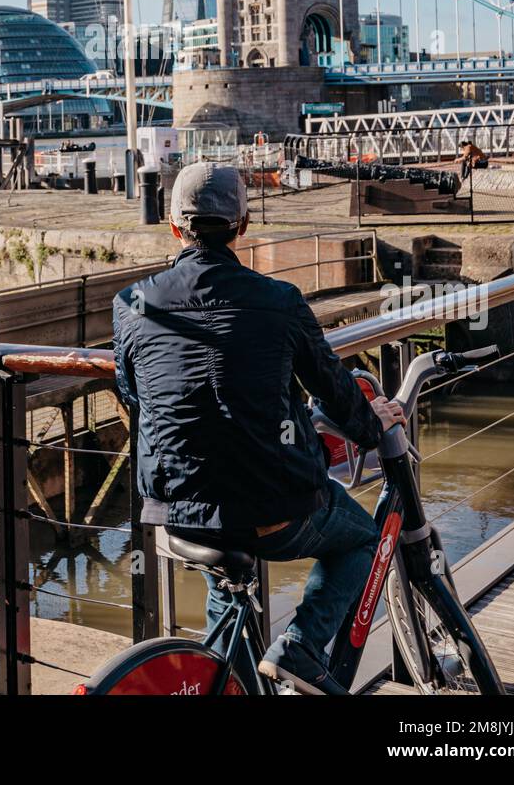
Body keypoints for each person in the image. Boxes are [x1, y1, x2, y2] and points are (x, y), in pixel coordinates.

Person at [112, 161, 404, 695]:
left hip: (177, 506)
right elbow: (333, 388)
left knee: (229, 583)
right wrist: (371, 426)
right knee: (362, 540)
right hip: (271, 507)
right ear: (242, 227)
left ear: (174, 227)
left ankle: (226, 682)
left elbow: (133, 395)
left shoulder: (131, 303)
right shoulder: (280, 301)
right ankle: (301, 648)